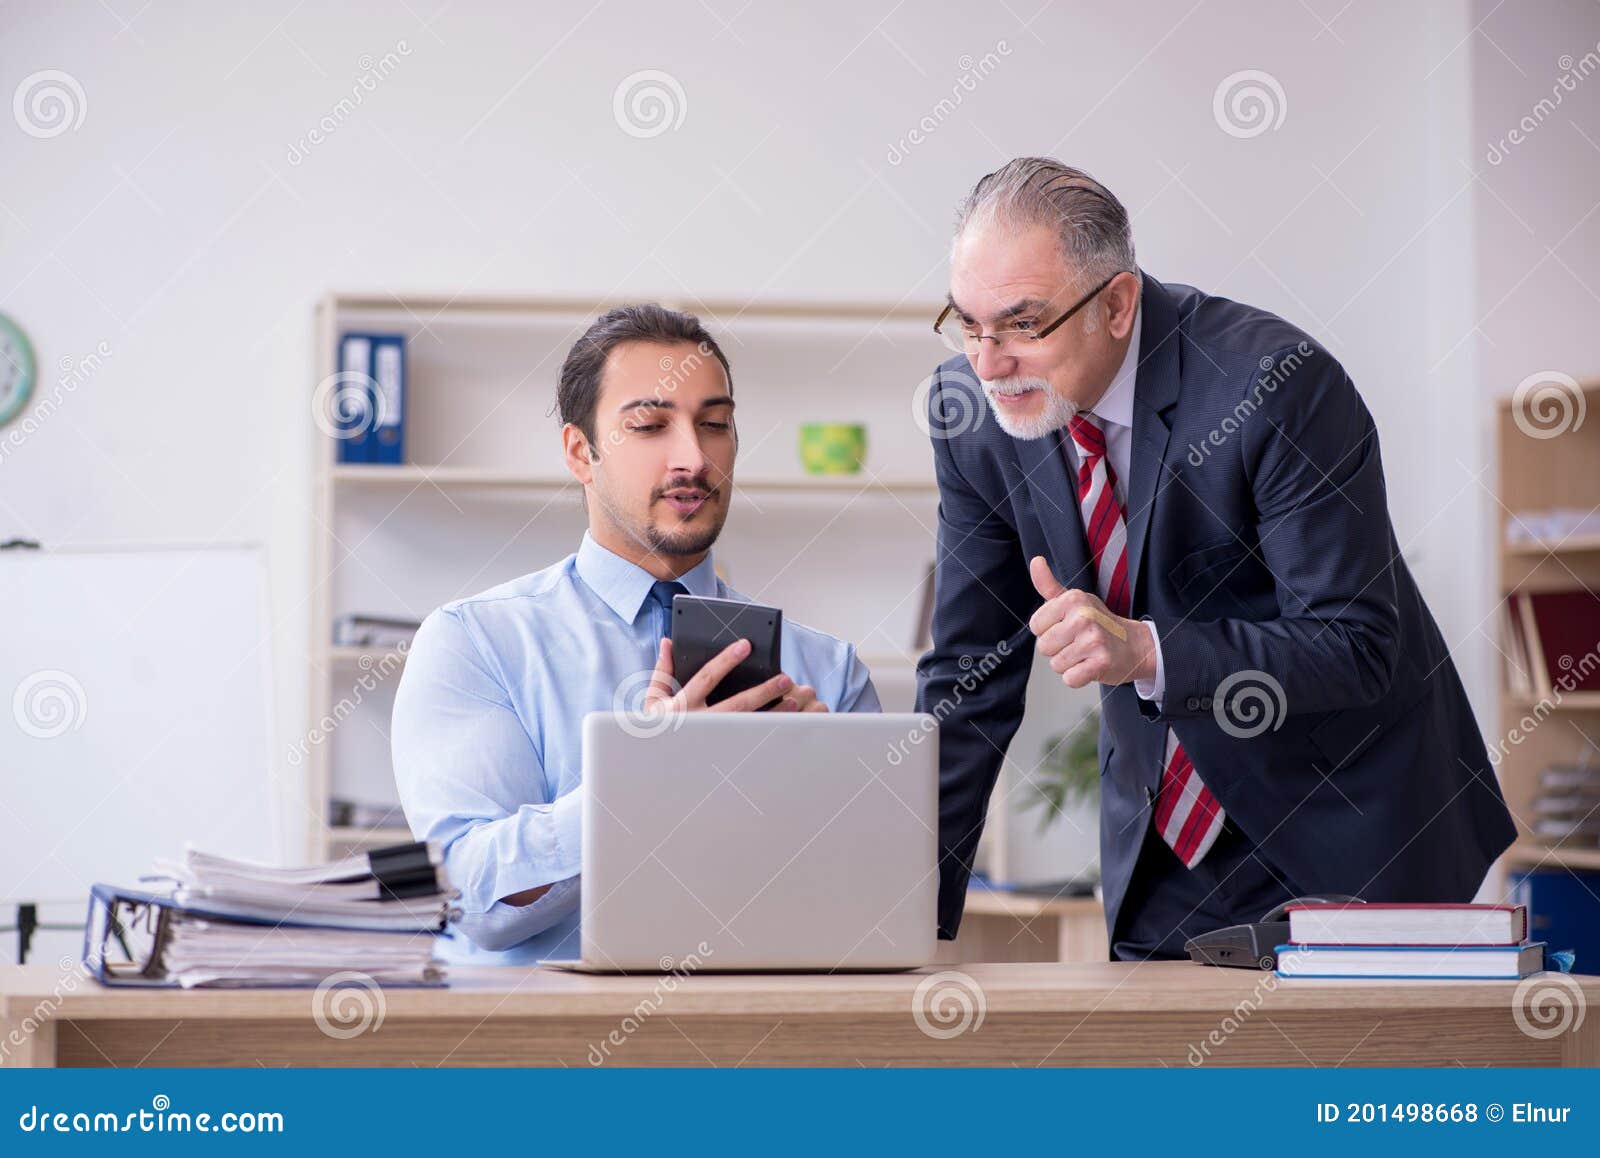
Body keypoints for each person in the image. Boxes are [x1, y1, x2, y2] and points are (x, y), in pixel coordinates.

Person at [920, 157, 1515, 960]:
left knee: (1326, 1085)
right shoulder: (977, 417)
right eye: (968, 324)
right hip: (1165, 840)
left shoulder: (1273, 384)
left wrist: (1146, 650)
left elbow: (1356, 642)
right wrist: (907, 910)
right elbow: (968, 674)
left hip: (1348, 823)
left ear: (1118, 304)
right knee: (1168, 1082)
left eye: (1023, 326)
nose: (988, 364)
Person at [393, 303, 880, 963]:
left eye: (715, 425)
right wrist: (650, 781)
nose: (693, 457)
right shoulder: (473, 643)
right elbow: (475, 903)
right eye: (650, 425)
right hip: (540, 1057)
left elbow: (869, 922)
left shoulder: (830, 670)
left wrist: (812, 795)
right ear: (580, 453)